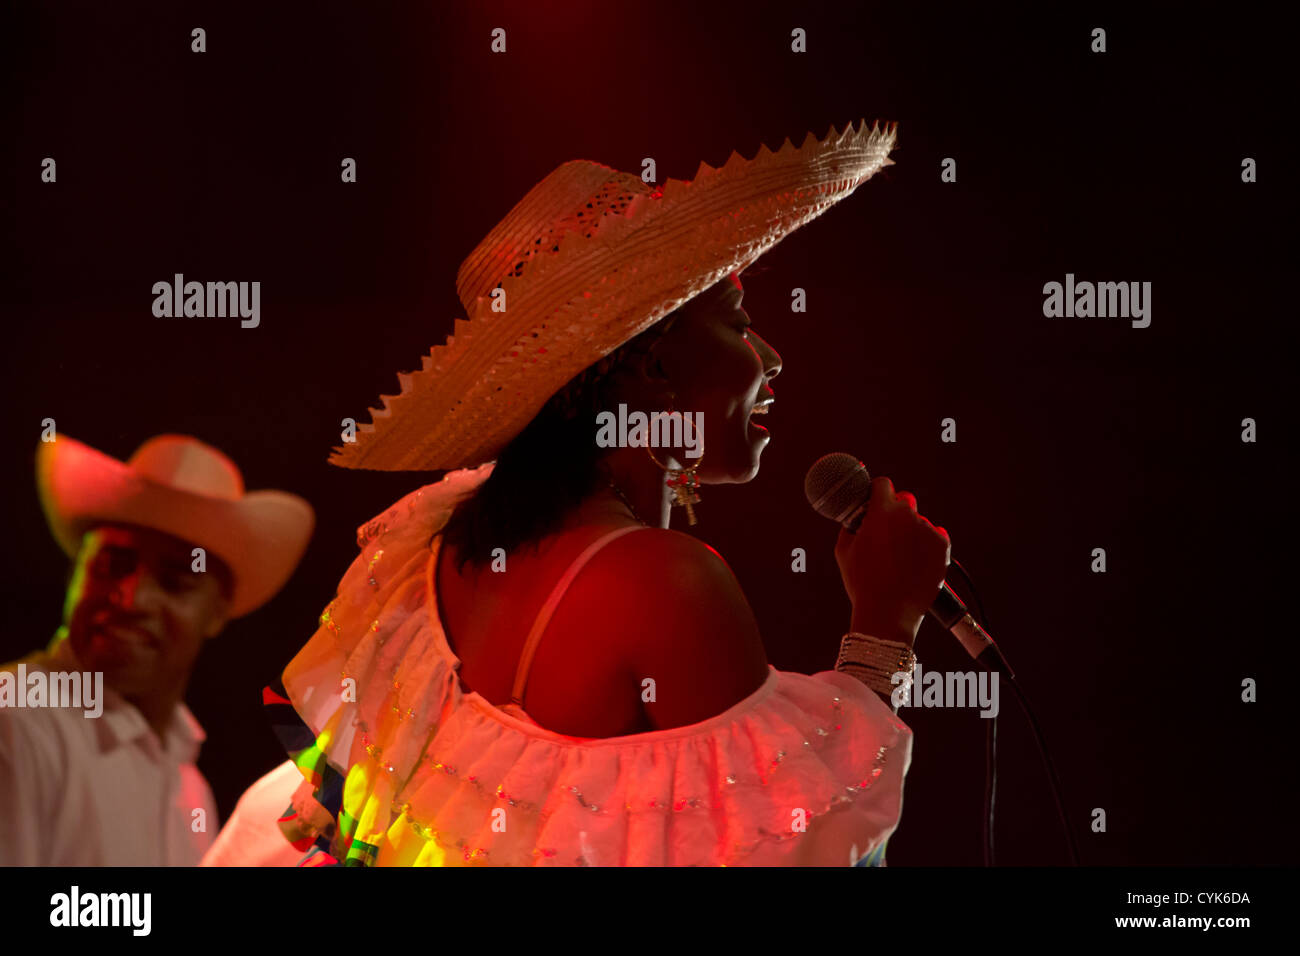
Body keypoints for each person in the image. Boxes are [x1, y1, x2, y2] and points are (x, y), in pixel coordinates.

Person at [272, 118, 950, 866]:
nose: (773, 358)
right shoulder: (661, 582)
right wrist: (884, 632)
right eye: (739, 324)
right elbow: (794, 851)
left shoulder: (428, 545)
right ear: (653, 370)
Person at [0, 434, 314, 865]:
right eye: (114, 564)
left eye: (175, 580)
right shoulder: (16, 724)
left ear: (218, 611)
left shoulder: (189, 785)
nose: (133, 599)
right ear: (78, 568)